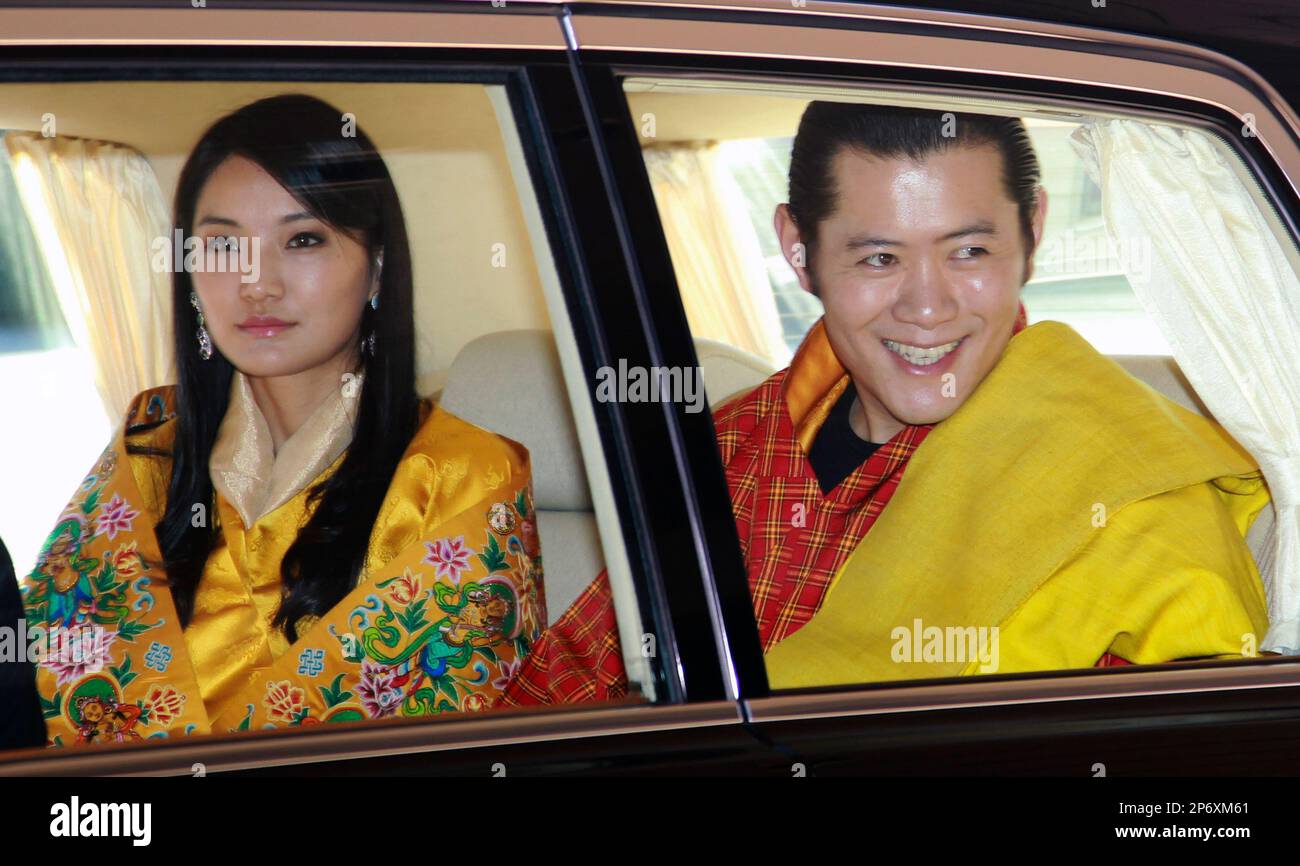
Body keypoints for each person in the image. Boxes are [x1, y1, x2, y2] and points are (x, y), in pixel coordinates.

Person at [497, 103, 1271, 704]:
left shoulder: (1126, 487)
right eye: (878, 258)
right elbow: (570, 688)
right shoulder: (725, 448)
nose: (927, 307)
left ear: (1033, 231)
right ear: (798, 249)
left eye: (969, 251)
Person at [18, 95, 545, 747]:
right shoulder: (150, 446)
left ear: (377, 267)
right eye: (222, 244)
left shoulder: (464, 478)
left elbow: (444, 740)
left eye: (303, 240)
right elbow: (42, 671)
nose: (256, 283)